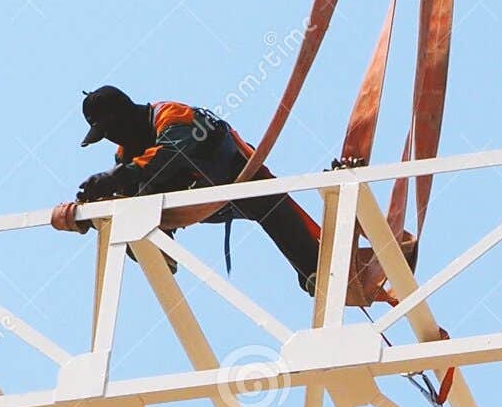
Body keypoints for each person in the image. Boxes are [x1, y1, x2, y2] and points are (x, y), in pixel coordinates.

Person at [51, 86, 321, 293]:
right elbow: (129, 189)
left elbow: (171, 154)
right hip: (198, 203)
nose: (111, 139)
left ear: (122, 117)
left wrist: (115, 177)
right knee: (128, 203)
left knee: (269, 204)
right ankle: (157, 249)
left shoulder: (171, 115)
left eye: (109, 130)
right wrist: (96, 213)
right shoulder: (125, 156)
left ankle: (314, 269)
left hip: (235, 181)